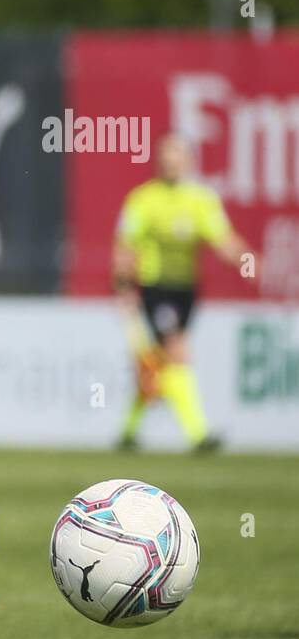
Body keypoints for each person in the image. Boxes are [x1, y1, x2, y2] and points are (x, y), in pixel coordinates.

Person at [112, 133, 252, 451]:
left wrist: (249, 261)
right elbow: (125, 245)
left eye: (177, 154)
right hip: (155, 288)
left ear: (188, 161)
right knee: (178, 352)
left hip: (186, 291)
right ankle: (198, 434)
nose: (170, 160)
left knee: (159, 365)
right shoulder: (143, 199)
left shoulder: (201, 200)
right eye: (166, 154)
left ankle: (127, 432)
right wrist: (123, 286)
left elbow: (223, 240)